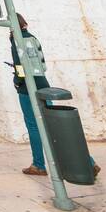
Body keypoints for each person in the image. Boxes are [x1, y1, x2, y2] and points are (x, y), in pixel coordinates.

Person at [11, 13, 100, 180]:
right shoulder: (32, 38)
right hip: (43, 85)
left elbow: (20, 66)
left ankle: (38, 165)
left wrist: (17, 81)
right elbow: (39, 63)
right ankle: (89, 161)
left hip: (27, 88)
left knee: (34, 126)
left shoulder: (16, 40)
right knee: (53, 125)